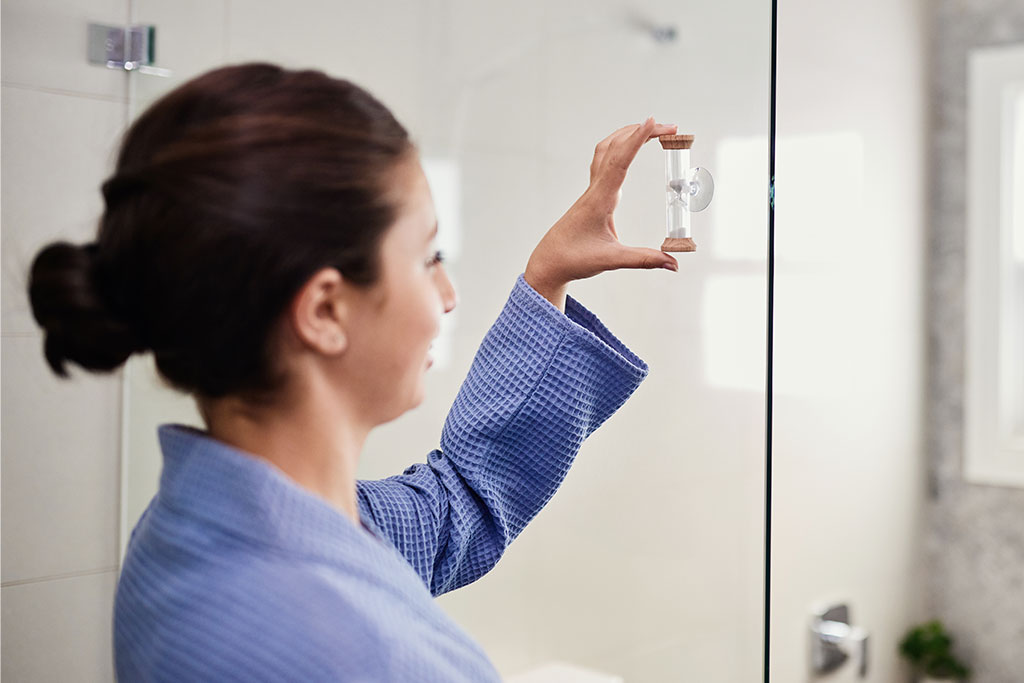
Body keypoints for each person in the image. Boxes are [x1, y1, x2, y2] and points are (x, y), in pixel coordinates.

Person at [27, 63, 679, 681]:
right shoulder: (334, 645)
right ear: (325, 309)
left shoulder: (208, 526)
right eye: (429, 256)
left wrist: (547, 278)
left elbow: (458, 504)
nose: (448, 294)